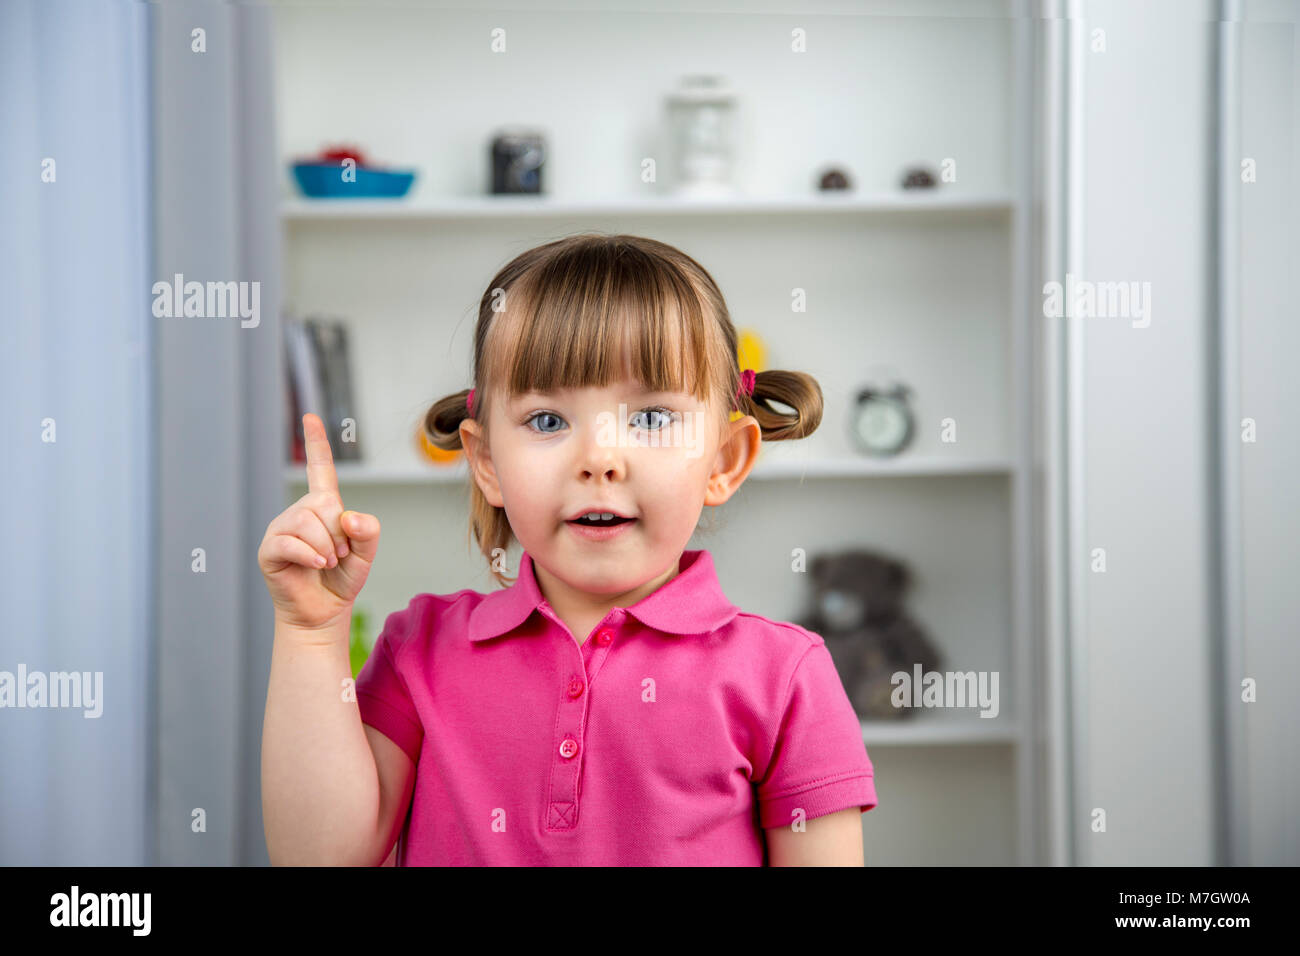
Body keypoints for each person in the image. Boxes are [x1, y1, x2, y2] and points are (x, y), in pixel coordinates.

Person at [260, 233, 877, 866]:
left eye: (652, 418)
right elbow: (319, 858)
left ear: (724, 460)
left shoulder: (785, 676)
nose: (599, 460)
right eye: (548, 421)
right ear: (487, 462)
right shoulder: (419, 649)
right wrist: (311, 632)